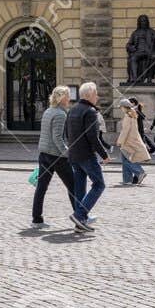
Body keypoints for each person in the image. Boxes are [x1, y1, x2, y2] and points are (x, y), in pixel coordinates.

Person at [31, 86, 80, 226]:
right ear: (62, 98)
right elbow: (57, 137)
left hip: (44, 154)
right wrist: (67, 153)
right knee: (73, 186)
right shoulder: (60, 114)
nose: (70, 99)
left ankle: (36, 219)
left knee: (41, 187)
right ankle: (80, 216)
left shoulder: (48, 111)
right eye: (68, 96)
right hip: (57, 157)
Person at [64, 82, 109, 231]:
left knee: (79, 188)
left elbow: (66, 133)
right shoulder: (90, 111)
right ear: (89, 95)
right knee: (99, 184)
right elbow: (93, 136)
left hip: (74, 155)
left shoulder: (72, 110)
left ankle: (80, 222)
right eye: (96, 94)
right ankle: (80, 214)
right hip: (86, 155)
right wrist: (104, 155)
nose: (97, 97)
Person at [116, 98, 151, 185]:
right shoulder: (133, 114)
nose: (120, 109)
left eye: (121, 107)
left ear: (124, 107)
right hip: (132, 139)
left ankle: (139, 172)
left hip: (128, 141)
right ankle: (127, 180)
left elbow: (125, 130)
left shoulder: (128, 116)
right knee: (126, 159)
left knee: (126, 161)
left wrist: (120, 141)